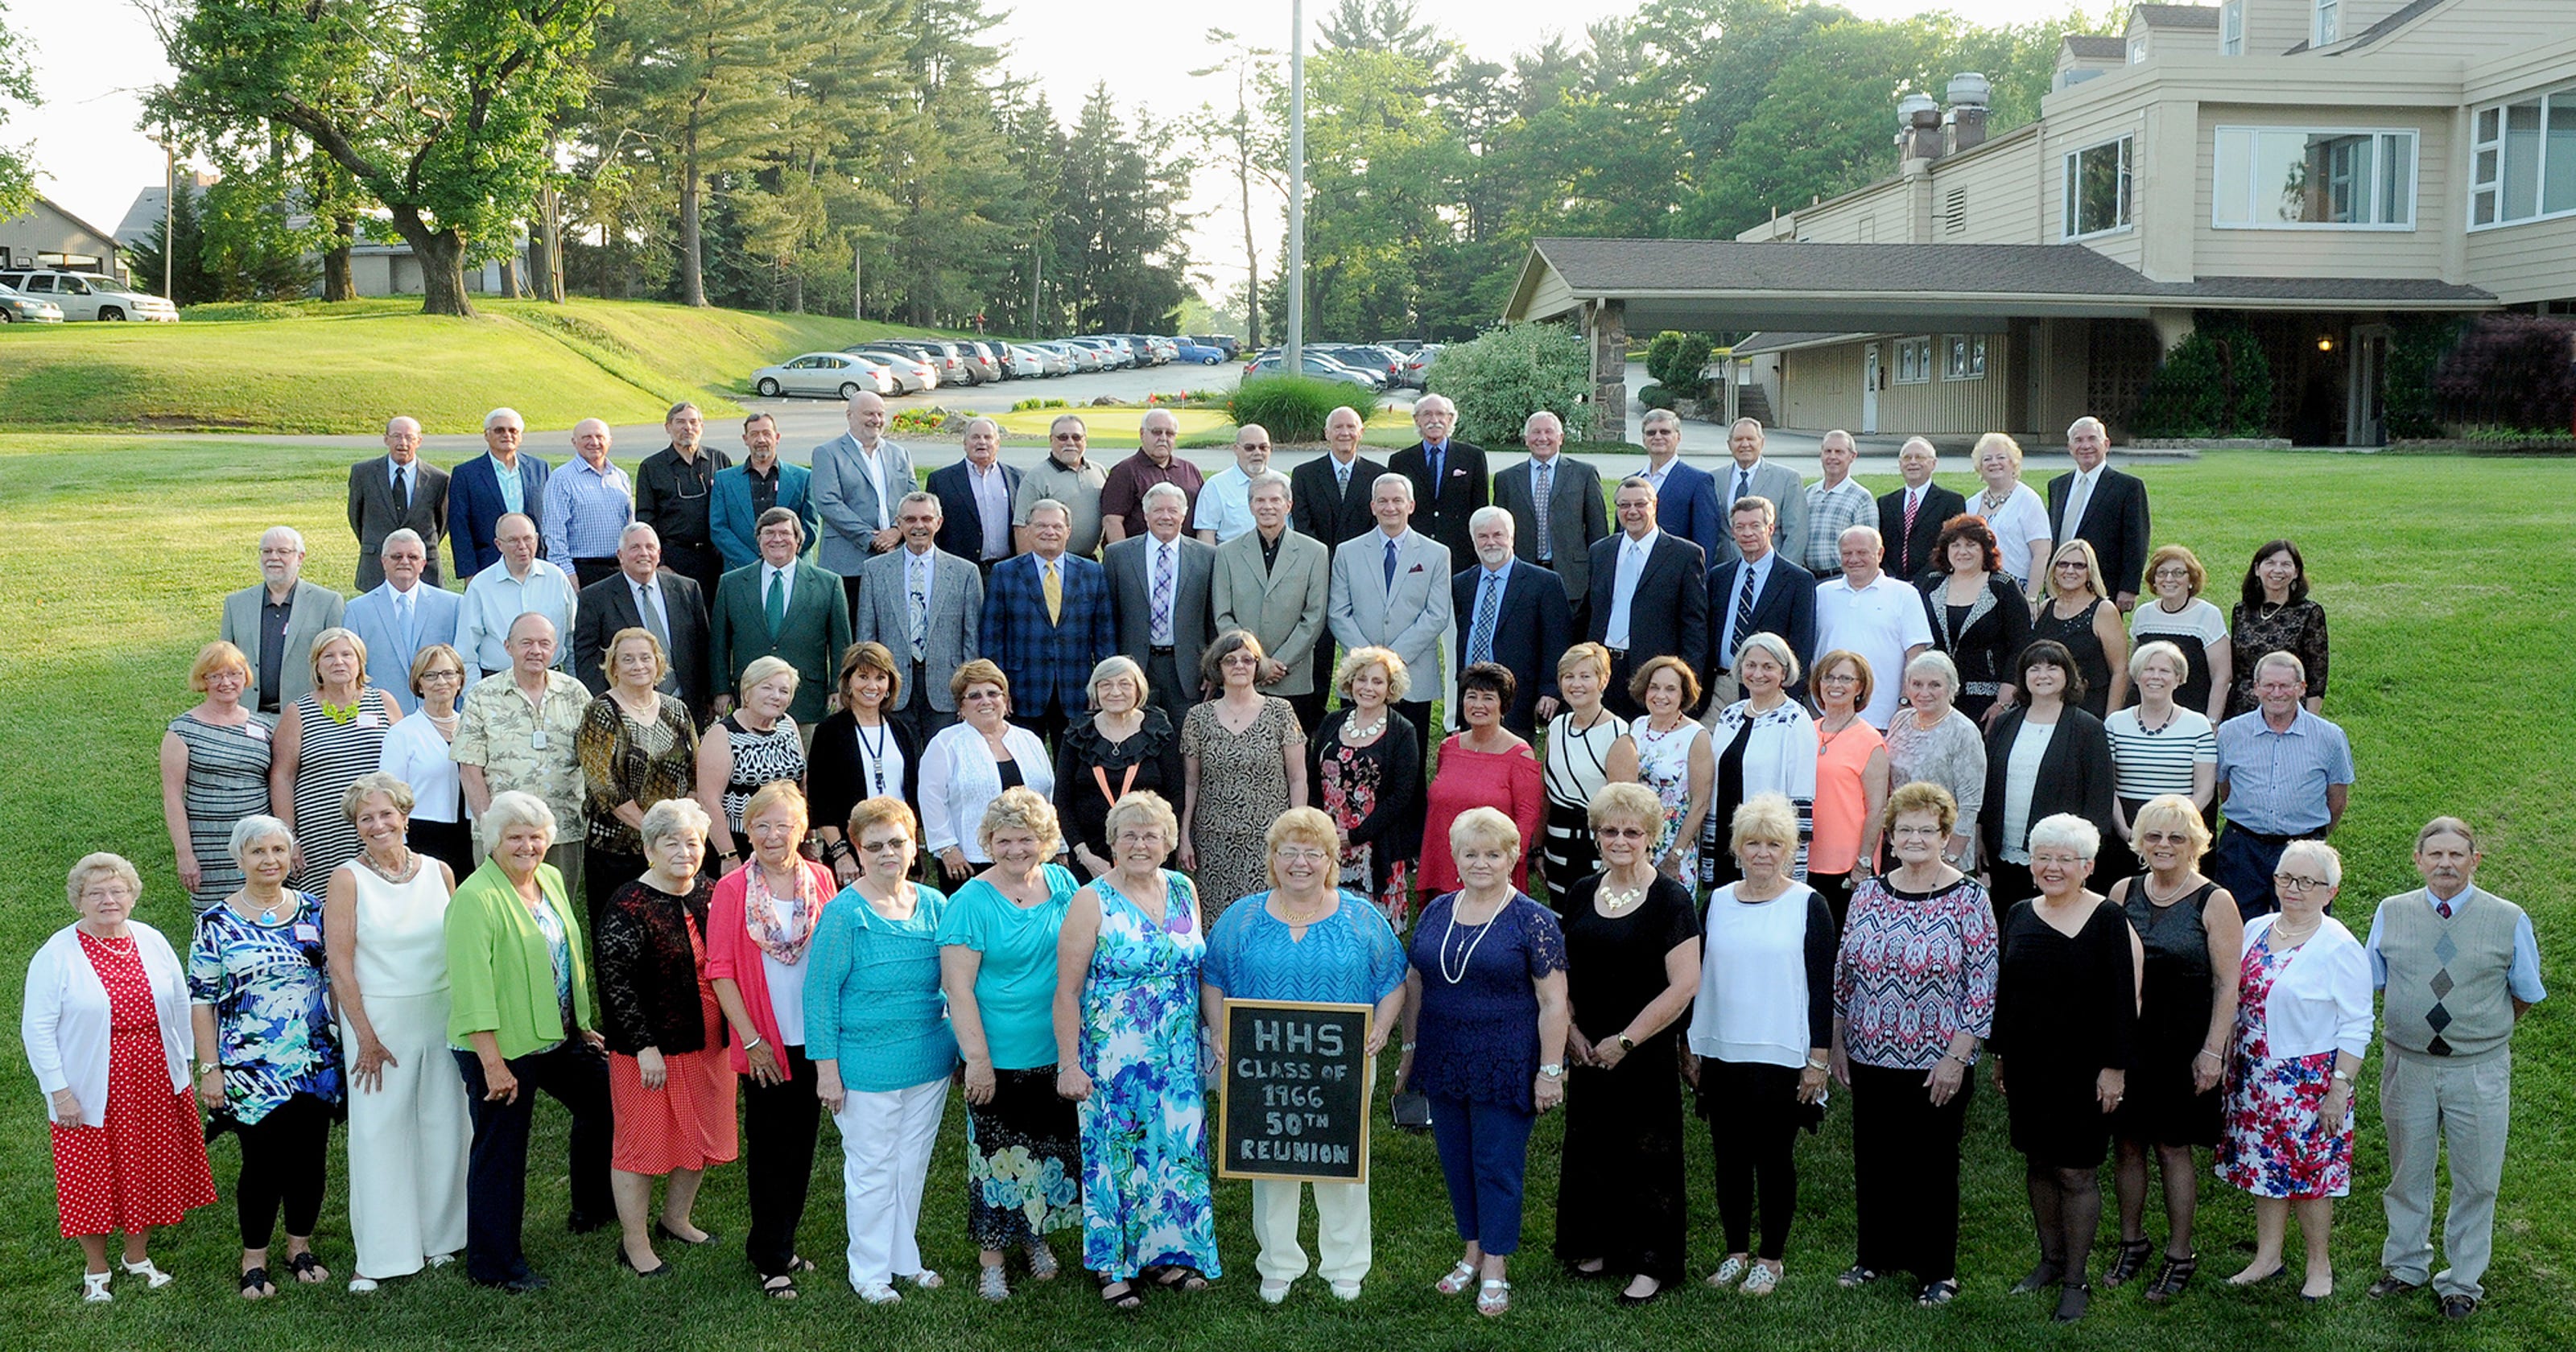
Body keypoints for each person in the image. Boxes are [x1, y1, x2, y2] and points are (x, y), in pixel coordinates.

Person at [1199, 808, 1409, 1304]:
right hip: (1262, 1064)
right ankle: (1278, 1262)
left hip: (1343, 1063)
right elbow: (1214, 976)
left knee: (1341, 1161)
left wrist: (1381, 1027)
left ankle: (1345, 1263)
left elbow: (1393, 979)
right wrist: (1216, 1028)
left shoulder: (1361, 917)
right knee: (1271, 1162)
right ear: (1273, 858)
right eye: (1289, 851)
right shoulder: (1243, 917)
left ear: (1331, 859)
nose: (1300, 862)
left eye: (1313, 852)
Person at [2367, 818, 2547, 1319]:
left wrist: (2476, 1031)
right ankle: (2405, 1265)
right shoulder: (2391, 912)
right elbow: (2372, 982)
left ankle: (2462, 1280)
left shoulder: (2507, 918)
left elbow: (2525, 993)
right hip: (2408, 1066)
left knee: (2478, 1176)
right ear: (2418, 860)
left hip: (2478, 1070)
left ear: (2475, 860)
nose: (2446, 864)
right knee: (2408, 1170)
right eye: (2436, 854)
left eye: (2457, 855)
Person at [1396, 807, 1568, 1317]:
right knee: (1456, 1162)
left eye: (1493, 854)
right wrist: (1409, 1052)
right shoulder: (1435, 912)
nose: (1481, 863)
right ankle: (1470, 1252)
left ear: (1513, 857)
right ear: (1454, 857)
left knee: (1496, 1165)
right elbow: (1415, 983)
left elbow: (1555, 1002)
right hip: (1444, 1057)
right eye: (1470, 853)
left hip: (1506, 1061)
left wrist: (1550, 1070)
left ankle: (1496, 1265)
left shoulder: (1532, 920)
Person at [1832, 781, 1997, 1307]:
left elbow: (1983, 983)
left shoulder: (1970, 897)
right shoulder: (1868, 893)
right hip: (1868, 1052)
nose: (1916, 838)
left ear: (1947, 836)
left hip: (1935, 1060)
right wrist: (1836, 1041)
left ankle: (1936, 1271)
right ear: (1891, 836)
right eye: (1906, 829)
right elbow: (1844, 970)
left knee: (1931, 1165)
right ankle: (1874, 1256)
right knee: (1876, 1158)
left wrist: (1957, 1056)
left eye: (1928, 829)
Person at [1052, 791, 1220, 1307]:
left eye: (1151, 835)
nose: (1140, 844)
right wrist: (1069, 1063)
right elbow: (1066, 991)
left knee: (1174, 1153)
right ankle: (1112, 1265)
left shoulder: (1184, 888)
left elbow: (1199, 968)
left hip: (1177, 1056)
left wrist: (1214, 1033)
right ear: (1113, 842)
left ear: (1169, 842)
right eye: (1129, 834)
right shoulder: (1091, 899)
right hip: (1114, 1057)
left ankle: (1169, 1256)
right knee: (1117, 1157)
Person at [24, 854, 215, 1303]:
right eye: (96, 893)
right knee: (90, 1175)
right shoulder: (57, 954)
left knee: (147, 1167)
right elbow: (37, 1028)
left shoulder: (149, 939)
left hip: (152, 1076)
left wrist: (186, 1062)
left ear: (132, 895)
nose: (109, 900)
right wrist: (59, 1090)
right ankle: (96, 1269)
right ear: (79, 901)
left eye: (118, 891)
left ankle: (136, 1255)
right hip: (89, 1084)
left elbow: (180, 1002)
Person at [445, 792, 613, 1292]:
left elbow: (568, 956)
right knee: (502, 1152)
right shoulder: (475, 900)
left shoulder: (551, 879)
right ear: (494, 842)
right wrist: (493, 1064)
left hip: (554, 1034)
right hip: (500, 1046)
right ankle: (493, 1265)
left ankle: (591, 1208)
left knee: (604, 1099)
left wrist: (580, 1023)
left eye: (536, 835)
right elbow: (472, 990)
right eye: (514, 836)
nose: (527, 845)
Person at [1988, 813, 2144, 1323]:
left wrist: (2115, 1069)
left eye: (2065, 859)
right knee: (2038, 1163)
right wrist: (2003, 1056)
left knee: (2075, 1172)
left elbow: (2125, 1001)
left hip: (2085, 1069)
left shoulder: (2107, 919)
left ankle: (2076, 1280)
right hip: (2030, 1064)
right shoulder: (2016, 912)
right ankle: (2050, 1262)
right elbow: (2005, 993)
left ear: (2088, 866)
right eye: (2043, 857)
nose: (2052, 867)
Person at [807, 796, 958, 1302]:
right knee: (871, 1169)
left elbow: (956, 984)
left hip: (929, 1059)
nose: (887, 853)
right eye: (875, 846)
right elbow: (820, 995)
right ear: (857, 851)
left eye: (897, 842)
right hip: (865, 1066)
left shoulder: (935, 905)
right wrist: (827, 1071)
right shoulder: (844, 914)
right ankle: (869, 1272)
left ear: (914, 847)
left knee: (910, 1164)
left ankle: (903, 1259)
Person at [1558, 783, 1705, 1305]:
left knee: (1648, 1153)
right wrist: (1571, 1032)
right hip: (1588, 1046)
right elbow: (1562, 973)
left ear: (1650, 837)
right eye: (1610, 831)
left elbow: (1685, 984)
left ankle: (1651, 1262)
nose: (1620, 840)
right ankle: (1598, 1245)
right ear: (1597, 835)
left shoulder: (1669, 898)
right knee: (1593, 1147)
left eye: (1632, 832)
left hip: (1643, 1048)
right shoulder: (1580, 892)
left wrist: (1626, 1040)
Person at [938, 789, 1084, 1300]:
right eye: (1004, 840)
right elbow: (957, 988)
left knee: (1047, 1153)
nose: (1016, 850)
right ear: (988, 841)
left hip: (1057, 1049)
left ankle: (1035, 1238)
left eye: (1026, 839)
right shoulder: (970, 903)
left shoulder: (1063, 882)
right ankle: (992, 1261)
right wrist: (977, 1061)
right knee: (996, 1162)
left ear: (1044, 841)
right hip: (997, 1055)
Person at [191, 814, 345, 1298]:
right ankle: (253, 1257)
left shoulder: (316, 912)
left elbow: (337, 977)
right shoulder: (215, 922)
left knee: (310, 1160)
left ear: (290, 856)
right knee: (262, 1164)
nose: (270, 860)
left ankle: (299, 1247)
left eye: (279, 850)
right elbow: (201, 1001)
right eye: (258, 852)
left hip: (313, 1063)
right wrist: (210, 1067)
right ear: (240, 859)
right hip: (250, 1068)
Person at [1685, 792, 1831, 1300]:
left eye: (1773, 843)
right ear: (1736, 849)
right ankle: (1734, 1253)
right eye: (1752, 843)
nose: (1763, 853)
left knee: (1772, 1158)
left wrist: (1818, 1060)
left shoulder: (1808, 905)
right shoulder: (1718, 902)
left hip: (1782, 1056)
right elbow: (1700, 976)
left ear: (1789, 850)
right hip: (1723, 1052)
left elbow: (1821, 987)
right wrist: (1694, 1047)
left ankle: (1771, 1258)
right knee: (1727, 1158)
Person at [324, 774, 468, 1291]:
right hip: (376, 1020)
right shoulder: (347, 880)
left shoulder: (440, 872)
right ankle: (381, 1256)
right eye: (367, 818)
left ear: (406, 817)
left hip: (441, 1013)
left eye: (387, 814)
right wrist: (364, 1034)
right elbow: (340, 966)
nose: (378, 825)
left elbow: (458, 947)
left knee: (445, 1124)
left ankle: (442, 1239)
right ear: (356, 826)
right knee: (379, 1133)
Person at [2099, 793, 2242, 1303]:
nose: (2164, 845)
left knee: (2172, 1147)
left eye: (2176, 837)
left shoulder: (2215, 900)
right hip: (2129, 1039)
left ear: (2196, 845)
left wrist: (2213, 1051)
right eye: (2154, 836)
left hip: (2183, 1045)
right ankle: (2132, 1243)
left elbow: (2229, 984)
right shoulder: (2121, 891)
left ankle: (2180, 1255)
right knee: (2128, 1143)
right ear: (2140, 841)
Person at [2218, 839, 2370, 1303]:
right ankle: (2268, 1258)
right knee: (2267, 1169)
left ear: (2331, 891)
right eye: (2286, 878)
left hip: (2306, 1083)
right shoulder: (2257, 928)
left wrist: (2339, 1089)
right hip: (2254, 1076)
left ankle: (2318, 1265)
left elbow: (2358, 1023)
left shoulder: (2338, 946)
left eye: (2308, 882)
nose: (2294, 889)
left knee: (2309, 1175)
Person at [704, 781, 836, 1298]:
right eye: (761, 825)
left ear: (801, 830)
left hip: (815, 1038)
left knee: (802, 1145)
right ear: (747, 829)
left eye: (784, 825)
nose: (773, 835)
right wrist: (752, 1038)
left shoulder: (822, 880)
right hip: (765, 1038)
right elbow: (720, 973)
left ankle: (783, 1241)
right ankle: (769, 1256)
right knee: (769, 1148)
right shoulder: (734, 889)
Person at [596, 798, 733, 1278]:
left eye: (692, 841)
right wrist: (643, 1045)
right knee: (641, 1142)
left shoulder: (712, 893)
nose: (684, 851)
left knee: (699, 1132)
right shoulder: (628, 904)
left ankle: (676, 1219)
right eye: (670, 841)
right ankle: (634, 1242)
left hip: (709, 1040)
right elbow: (616, 984)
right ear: (649, 848)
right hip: (648, 1049)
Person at [455, 613, 593, 896]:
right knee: (501, 914)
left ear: (555, 649)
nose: (536, 651)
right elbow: (470, 769)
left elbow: (593, 761)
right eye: (526, 643)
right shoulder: (483, 695)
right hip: (503, 835)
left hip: (562, 829)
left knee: (556, 910)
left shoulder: (575, 694)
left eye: (544, 643)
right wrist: (489, 828)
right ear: (508, 647)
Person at [2211, 651, 2355, 919]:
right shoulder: (2231, 733)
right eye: (2268, 685)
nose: (2276, 693)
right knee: (2235, 925)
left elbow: (2337, 800)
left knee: (2305, 925)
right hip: (2243, 848)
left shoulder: (2329, 737)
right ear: (2256, 688)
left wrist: (2314, 836)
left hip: (2304, 848)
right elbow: (2225, 789)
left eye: (2285, 685)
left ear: (2301, 688)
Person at [577, 628, 702, 932]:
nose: (638, 666)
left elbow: (695, 772)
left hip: (672, 849)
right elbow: (605, 787)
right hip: (617, 852)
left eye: (645, 658)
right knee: (620, 938)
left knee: (672, 937)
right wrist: (655, 833)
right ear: (614, 667)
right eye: (628, 659)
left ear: (658, 663)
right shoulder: (601, 712)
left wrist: (677, 834)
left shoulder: (677, 709)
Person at [1981, 640, 2119, 910]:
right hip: (2003, 850)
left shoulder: (2087, 728)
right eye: (2034, 669)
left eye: (2052, 668)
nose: (2042, 675)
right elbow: (1988, 784)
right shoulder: (2005, 722)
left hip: (2061, 861)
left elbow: (2099, 795)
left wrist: (2084, 855)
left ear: (2068, 675)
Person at [1180, 630, 1308, 920]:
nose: (1239, 666)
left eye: (1247, 660)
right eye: (1230, 660)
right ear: (1218, 667)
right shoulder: (1198, 718)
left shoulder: (1280, 712)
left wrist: (1295, 831)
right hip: (1213, 840)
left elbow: (1298, 779)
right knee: (1215, 921)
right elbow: (1191, 782)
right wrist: (1185, 835)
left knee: (1265, 918)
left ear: (1257, 665)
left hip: (1268, 837)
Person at [1329, 472, 1453, 770]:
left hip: (1413, 676)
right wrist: (1368, 662)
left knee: (1408, 762)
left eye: (1397, 500)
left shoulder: (1436, 554)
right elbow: (1338, 612)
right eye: (1382, 501)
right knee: (1361, 762)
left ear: (1411, 505)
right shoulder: (1348, 552)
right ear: (1372, 506)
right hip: (1359, 677)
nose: (1390, 507)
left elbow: (1437, 614)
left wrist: (1391, 661)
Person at [270, 627, 405, 890]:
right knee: (329, 905)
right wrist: (289, 837)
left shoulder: (383, 702)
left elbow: (405, 767)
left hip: (380, 828)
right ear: (317, 666)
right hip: (322, 835)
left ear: (360, 662)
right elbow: (282, 777)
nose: (339, 662)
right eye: (328, 656)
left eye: (347, 655)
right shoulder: (298, 712)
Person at [855, 489, 985, 752]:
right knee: (901, 762)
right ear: (899, 523)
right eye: (911, 520)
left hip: (946, 689)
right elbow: (866, 635)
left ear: (939, 522)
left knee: (946, 761)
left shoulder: (965, 572)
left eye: (926, 519)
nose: (919, 526)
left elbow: (972, 640)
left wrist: (968, 691)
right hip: (893, 687)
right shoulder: (875, 570)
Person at [983, 498, 1117, 747]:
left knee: (1074, 766)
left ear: (1068, 531)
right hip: (1022, 687)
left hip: (1076, 687)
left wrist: (1103, 685)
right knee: (1020, 761)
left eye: (1057, 526)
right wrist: (998, 688)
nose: (1049, 532)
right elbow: (992, 637)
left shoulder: (1092, 573)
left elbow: (1104, 635)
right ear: (1028, 530)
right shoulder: (1005, 573)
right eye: (1041, 526)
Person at [1290, 406, 1389, 730]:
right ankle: (1314, 718)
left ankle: (1356, 710)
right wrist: (1326, 565)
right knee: (1318, 648)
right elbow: (1303, 526)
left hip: (1364, 577)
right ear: (1326, 433)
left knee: (1357, 643)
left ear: (1360, 433)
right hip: (1317, 574)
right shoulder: (1304, 474)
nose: (1345, 433)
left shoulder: (1377, 475)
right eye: (1338, 427)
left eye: (1351, 427)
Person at [712, 507, 854, 731]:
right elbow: (719, 643)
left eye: (785, 533)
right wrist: (721, 689)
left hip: (806, 703)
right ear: (759, 541)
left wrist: (838, 688)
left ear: (799, 540)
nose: (777, 539)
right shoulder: (732, 584)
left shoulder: (828, 584)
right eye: (769, 533)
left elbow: (841, 644)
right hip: (750, 703)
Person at [1212, 469, 1333, 731]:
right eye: (1260, 500)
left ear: (1288, 505)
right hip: (1243, 672)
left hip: (1291, 673)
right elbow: (1223, 614)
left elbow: (1314, 615)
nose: (1267, 507)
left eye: (1275, 500)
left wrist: (1277, 662)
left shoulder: (1315, 552)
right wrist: (1253, 661)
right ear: (1250, 505)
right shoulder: (1227, 553)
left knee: (1293, 747)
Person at [1309, 646, 1422, 925]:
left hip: (1376, 846)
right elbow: (1313, 778)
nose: (1368, 688)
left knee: (1371, 934)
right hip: (1328, 842)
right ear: (1350, 682)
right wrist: (1322, 830)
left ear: (1390, 687)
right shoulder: (1331, 722)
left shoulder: (1402, 731)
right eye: (1361, 679)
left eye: (1377, 681)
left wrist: (1356, 835)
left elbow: (1402, 795)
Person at [1587, 476, 1711, 720]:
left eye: (1640, 504)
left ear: (1655, 505)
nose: (1632, 511)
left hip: (1653, 673)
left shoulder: (1684, 555)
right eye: (1624, 505)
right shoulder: (1601, 551)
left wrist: (1686, 682)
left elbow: (1694, 625)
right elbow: (1590, 611)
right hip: (1604, 668)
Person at [923, 660, 1058, 883]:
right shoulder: (945, 743)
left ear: (1005, 700)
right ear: (961, 707)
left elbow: (1048, 797)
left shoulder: (1029, 740)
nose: (985, 701)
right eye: (974, 696)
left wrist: (1056, 846)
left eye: (993, 693)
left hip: (1028, 859)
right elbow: (931, 800)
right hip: (967, 863)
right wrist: (947, 848)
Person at [1419, 662, 1546, 899]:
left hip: (1490, 871)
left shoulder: (1520, 754)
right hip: (1445, 863)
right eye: (1471, 696)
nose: (1478, 705)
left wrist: (1505, 864)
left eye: (1488, 698)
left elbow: (1527, 817)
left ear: (1503, 705)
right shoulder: (1448, 747)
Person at [163, 641, 272, 911]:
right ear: (203, 680)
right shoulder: (182, 731)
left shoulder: (264, 726)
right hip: (209, 848)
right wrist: (185, 854)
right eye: (216, 675)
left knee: (264, 915)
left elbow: (278, 783)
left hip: (258, 844)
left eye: (234, 674)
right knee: (215, 923)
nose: (226, 682)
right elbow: (173, 797)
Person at [1700, 633, 1817, 886]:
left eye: (1768, 666)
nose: (1758, 673)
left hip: (1766, 846)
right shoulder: (1729, 716)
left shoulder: (1795, 719)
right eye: (1750, 665)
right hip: (1726, 834)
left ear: (1784, 673)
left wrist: (1793, 860)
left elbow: (1802, 793)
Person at [1053, 656, 1182, 878]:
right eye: (1106, 685)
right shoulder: (1077, 734)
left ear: (1138, 690)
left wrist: (1160, 849)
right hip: (1091, 858)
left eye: (1124, 684)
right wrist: (1084, 855)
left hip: (1147, 852)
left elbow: (1177, 795)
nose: (1115, 692)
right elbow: (1062, 802)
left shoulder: (1159, 731)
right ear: (1095, 691)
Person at [572, 522, 714, 720]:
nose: (643, 553)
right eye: (635, 548)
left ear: (659, 553)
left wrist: (710, 696)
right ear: (620, 555)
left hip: (687, 706)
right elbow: (587, 659)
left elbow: (703, 647)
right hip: (626, 709)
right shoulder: (595, 598)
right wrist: (604, 706)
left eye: (649, 547)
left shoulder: (687, 590)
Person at [1453, 507, 1575, 736]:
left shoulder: (1544, 583)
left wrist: (1551, 690)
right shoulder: (1462, 584)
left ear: (1511, 537)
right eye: (1483, 536)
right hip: (1471, 695)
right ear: (1473, 540)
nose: (1491, 542)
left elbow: (1557, 640)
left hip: (1518, 696)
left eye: (1498, 535)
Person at [808, 641, 922, 884]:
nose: (872, 686)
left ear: (890, 684)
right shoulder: (829, 731)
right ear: (848, 682)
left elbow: (911, 794)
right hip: (851, 853)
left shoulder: (900, 730)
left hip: (898, 848)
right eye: (863, 677)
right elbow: (820, 801)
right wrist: (841, 853)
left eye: (880, 678)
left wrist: (913, 848)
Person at [1106, 482, 1219, 722]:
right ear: (1146, 515)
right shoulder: (1118, 555)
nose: (1165, 516)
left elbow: (1212, 618)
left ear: (1184, 515)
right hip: (1135, 667)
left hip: (1188, 669)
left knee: (1185, 741)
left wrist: (1212, 669)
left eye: (1172, 510)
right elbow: (1110, 617)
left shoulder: (1207, 557)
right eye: (1158, 510)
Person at [1605, 656, 1715, 891]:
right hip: (1634, 843)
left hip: (1674, 845)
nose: (1661, 695)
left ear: (1683, 694)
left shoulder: (1697, 736)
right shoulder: (1637, 727)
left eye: (1670, 689)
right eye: (1654, 687)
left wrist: (1675, 855)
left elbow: (1701, 802)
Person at [218, 526, 347, 718]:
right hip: (247, 716)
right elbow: (223, 662)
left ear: (300, 557)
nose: (274, 558)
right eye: (267, 551)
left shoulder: (327, 603)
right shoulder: (236, 604)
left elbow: (338, 661)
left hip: (308, 716)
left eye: (283, 552)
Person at [1489, 410, 1608, 618]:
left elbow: (1597, 528)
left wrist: (1598, 574)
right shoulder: (1506, 479)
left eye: (1548, 432)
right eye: (1536, 432)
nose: (1542, 438)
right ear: (1526, 439)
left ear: (1560, 438)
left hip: (1572, 577)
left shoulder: (1584, 474)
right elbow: (1499, 531)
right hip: (1523, 571)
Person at [696, 656, 808, 872]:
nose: (776, 697)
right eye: (767, 688)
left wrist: (809, 839)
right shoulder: (722, 734)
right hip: (740, 845)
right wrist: (728, 856)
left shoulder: (788, 725)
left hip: (787, 845)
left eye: (784, 691)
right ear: (747, 692)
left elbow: (801, 787)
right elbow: (709, 801)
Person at [1918, 514, 2031, 727]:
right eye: (1955, 545)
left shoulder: (2002, 586)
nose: (1962, 552)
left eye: (1971, 545)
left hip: (1986, 702)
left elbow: (2021, 647)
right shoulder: (1932, 584)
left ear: (1985, 550)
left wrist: (2003, 703)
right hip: (1935, 697)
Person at [1814, 526, 1931, 728]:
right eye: (1847, 553)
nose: (1854, 559)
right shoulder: (1822, 593)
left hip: (1884, 718)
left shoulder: (1904, 594)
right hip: (1828, 716)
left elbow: (1916, 656)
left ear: (1880, 553)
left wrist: (1905, 702)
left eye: (1862, 553)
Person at [1539, 643, 1627, 913]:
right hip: (1556, 840)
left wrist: (1613, 855)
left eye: (1585, 676)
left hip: (1598, 848)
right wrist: (1537, 848)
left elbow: (1623, 806)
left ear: (1603, 680)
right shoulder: (1556, 726)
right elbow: (1545, 791)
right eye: (1569, 676)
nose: (1576, 684)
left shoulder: (1618, 733)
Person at [1707, 494, 1817, 709]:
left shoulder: (1797, 580)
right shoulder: (1718, 577)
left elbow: (1802, 646)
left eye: (1755, 525)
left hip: (1767, 688)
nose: (1747, 533)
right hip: (1719, 687)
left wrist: (1788, 698)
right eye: (1740, 527)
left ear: (1770, 528)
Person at [1808, 650, 1892, 927]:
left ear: (1860, 687)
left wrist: (1863, 862)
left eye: (1846, 678)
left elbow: (1877, 809)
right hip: (1802, 858)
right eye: (1829, 677)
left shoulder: (1870, 741)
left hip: (1845, 866)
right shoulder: (1805, 730)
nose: (1836, 685)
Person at [812, 392, 915, 614]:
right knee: (853, 636)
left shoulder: (900, 454)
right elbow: (828, 503)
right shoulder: (827, 454)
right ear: (850, 416)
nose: (876, 420)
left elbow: (913, 498)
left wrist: (898, 532)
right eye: (869, 413)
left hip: (896, 558)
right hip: (848, 563)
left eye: (880, 414)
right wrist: (872, 538)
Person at [1884, 653, 1987, 875]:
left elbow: (1970, 805)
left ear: (1952, 689)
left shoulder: (1964, 732)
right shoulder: (1899, 721)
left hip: (1943, 853)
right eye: (1917, 684)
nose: (1924, 692)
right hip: (1902, 847)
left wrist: (1950, 859)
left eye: (1935, 685)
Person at [2107, 641, 2218, 847]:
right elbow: (2107, 785)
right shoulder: (2115, 723)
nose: (2156, 676)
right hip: (2126, 828)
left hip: (2179, 830)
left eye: (2165, 671)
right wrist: (2124, 829)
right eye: (2148, 670)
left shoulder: (2198, 724)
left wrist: (2173, 827)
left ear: (2178, 679)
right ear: (2137, 676)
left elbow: (2205, 790)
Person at [343, 529, 464, 712]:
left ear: (423, 564)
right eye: (397, 556)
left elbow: (462, 663)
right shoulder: (358, 610)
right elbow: (353, 671)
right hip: (381, 716)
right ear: (384, 562)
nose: (405, 562)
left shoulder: (452, 605)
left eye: (413, 557)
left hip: (440, 714)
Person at [456, 512, 578, 682]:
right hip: (498, 685)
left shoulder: (556, 578)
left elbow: (573, 639)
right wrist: (474, 696)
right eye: (513, 540)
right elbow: (465, 652)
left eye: (528, 539)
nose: (522, 546)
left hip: (551, 683)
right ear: (499, 544)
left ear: (536, 539)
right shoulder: (480, 586)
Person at [2046, 417, 2151, 612]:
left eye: (2092, 439)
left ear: (2106, 444)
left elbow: (2136, 541)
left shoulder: (2128, 487)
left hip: (2104, 586)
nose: (2085, 446)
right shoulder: (2058, 486)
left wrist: (2129, 588)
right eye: (2078, 440)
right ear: (2070, 447)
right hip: (2061, 584)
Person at [633, 400, 733, 598]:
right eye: (680, 422)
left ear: (701, 427)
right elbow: (645, 518)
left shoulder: (719, 460)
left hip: (715, 557)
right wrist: (659, 563)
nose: (688, 428)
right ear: (668, 427)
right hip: (674, 558)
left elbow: (731, 508)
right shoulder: (651, 467)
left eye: (693, 422)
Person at [2226, 539, 2330, 719]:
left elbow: (2317, 677)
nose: (2278, 570)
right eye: (2270, 563)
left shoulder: (2308, 613)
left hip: (2287, 708)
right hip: (2242, 711)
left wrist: (2311, 722)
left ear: (2296, 572)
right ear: (2257, 570)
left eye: (2286, 565)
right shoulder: (2241, 611)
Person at [2130, 543, 2231, 723]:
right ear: (2154, 580)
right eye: (2161, 573)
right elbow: (2134, 669)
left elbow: (2221, 677)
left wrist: (2212, 722)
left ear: (2191, 579)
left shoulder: (2207, 615)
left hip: (2192, 714)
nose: (2169, 579)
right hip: (2146, 714)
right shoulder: (2144, 614)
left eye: (2178, 573)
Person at [1389, 392, 1488, 570]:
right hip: (1414, 553)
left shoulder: (1473, 457)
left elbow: (1480, 508)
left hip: (1460, 554)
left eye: (1440, 414)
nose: (1434, 420)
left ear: (1450, 419)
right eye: (1427, 414)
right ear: (1417, 420)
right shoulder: (1400, 461)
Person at [712, 411, 819, 574]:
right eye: (754, 434)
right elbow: (718, 529)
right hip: (741, 571)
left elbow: (810, 528)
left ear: (777, 437)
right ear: (745, 439)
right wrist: (755, 564)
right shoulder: (724, 480)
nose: (761, 440)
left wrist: (781, 558)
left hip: (792, 571)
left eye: (766, 433)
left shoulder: (803, 478)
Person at [2033, 539, 2131, 718]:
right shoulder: (2045, 608)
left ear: (2090, 572)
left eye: (2079, 566)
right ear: (2054, 569)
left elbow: (2120, 670)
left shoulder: (2104, 610)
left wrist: (2111, 719)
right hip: (2048, 709)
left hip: (2089, 709)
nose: (2070, 570)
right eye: (2063, 564)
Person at [449, 408, 551, 579]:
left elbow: (549, 517)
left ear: (520, 436)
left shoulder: (539, 468)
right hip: (487, 565)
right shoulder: (466, 474)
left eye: (513, 431)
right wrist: (469, 573)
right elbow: (459, 526)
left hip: (534, 563)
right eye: (499, 430)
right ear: (486, 435)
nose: (507, 435)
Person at [543, 418, 637, 588]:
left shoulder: (620, 477)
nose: (594, 442)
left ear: (609, 441)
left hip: (620, 569)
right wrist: (567, 574)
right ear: (574, 442)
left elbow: (630, 525)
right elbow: (555, 533)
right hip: (582, 570)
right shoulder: (562, 478)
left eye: (600, 437)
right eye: (587, 437)